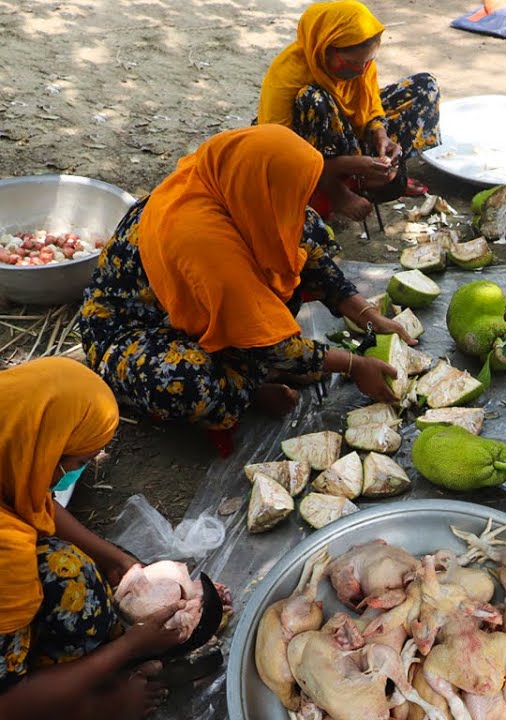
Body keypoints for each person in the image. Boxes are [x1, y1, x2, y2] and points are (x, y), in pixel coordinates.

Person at [79, 125, 414, 441]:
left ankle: (250, 371)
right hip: (134, 331)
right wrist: (355, 365)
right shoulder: (201, 240)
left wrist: (368, 315)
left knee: (305, 229)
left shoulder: (224, 178)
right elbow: (275, 348)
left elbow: (307, 248)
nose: (302, 204)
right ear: (259, 184)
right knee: (185, 385)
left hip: (210, 304)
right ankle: (246, 390)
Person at [0, 358, 187, 720]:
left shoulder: (9, 441)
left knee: (73, 569)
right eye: (75, 462)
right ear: (45, 454)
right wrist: (110, 695)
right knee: (69, 578)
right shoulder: (6, 552)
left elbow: (36, 501)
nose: (73, 474)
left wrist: (114, 558)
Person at [258, 0, 442, 221]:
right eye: (352, 63)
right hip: (308, 152)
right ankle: (334, 187)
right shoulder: (287, 76)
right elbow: (277, 153)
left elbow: (371, 102)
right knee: (313, 98)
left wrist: (379, 131)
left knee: (425, 86)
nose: (360, 71)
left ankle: (380, 173)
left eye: (367, 62)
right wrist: (347, 168)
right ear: (325, 49)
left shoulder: (360, 61)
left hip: (350, 136)